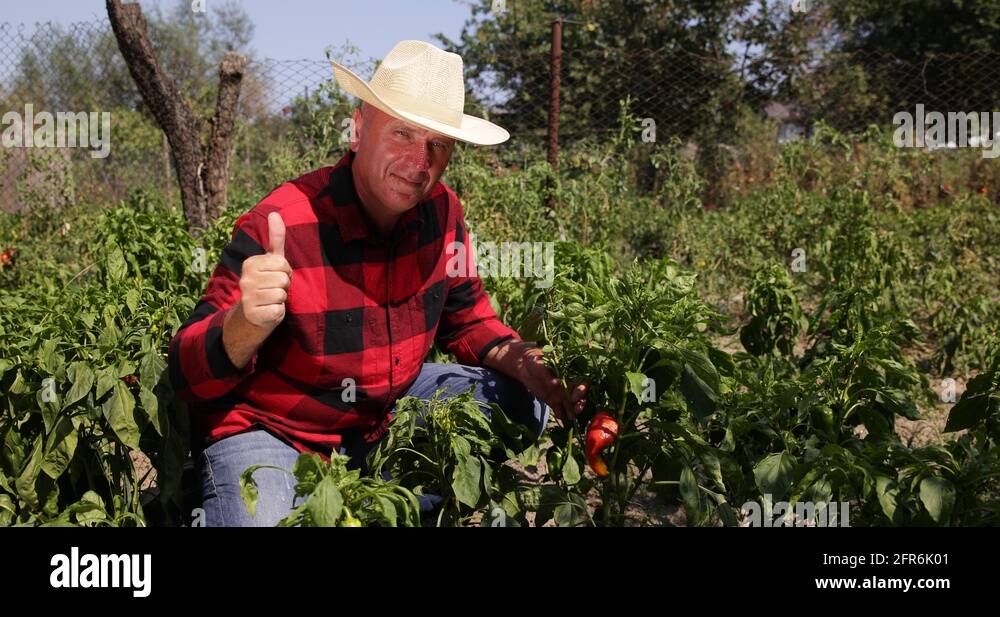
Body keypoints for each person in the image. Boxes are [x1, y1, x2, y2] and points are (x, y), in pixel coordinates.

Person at [168, 40, 586, 526]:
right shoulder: (284, 222)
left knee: (522, 401)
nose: (419, 162)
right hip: (276, 428)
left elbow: (468, 319)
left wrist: (526, 362)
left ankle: (380, 499)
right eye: (402, 133)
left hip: (381, 412)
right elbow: (182, 374)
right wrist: (244, 324)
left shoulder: (442, 213)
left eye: (438, 144)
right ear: (358, 129)